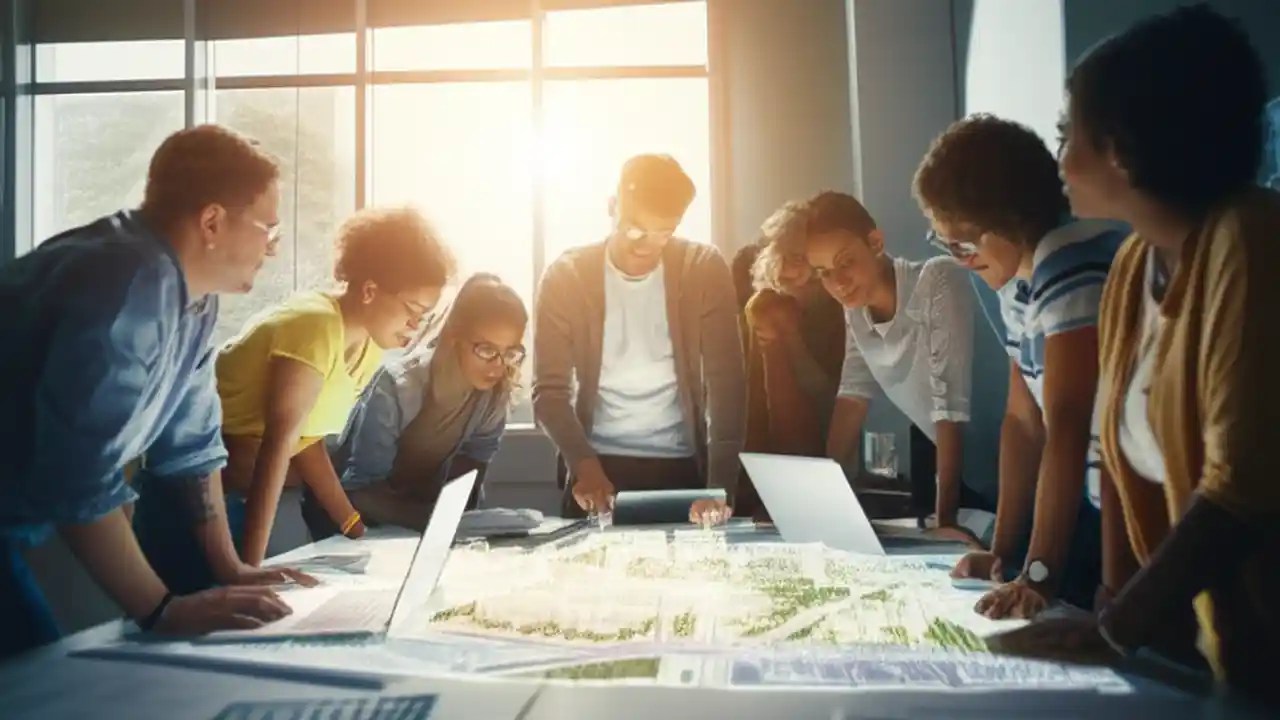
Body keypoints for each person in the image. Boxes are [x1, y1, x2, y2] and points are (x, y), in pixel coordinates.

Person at [0, 125, 314, 659]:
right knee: (32, 682)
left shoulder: (194, 298)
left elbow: (191, 447)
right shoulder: (126, 281)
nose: (272, 250)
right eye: (270, 230)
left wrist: (231, 569)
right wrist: (160, 608)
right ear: (212, 221)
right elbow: (81, 475)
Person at [1060, 4, 1279, 703]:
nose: (1059, 157)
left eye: (1070, 134)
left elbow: (1238, 489)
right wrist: (1112, 613)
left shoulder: (1248, 238)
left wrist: (1115, 632)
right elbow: (1124, 466)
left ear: (1120, 149)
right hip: (1207, 664)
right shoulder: (1131, 263)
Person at [136, 207, 454, 582]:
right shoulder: (315, 326)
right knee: (195, 626)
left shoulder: (369, 345)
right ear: (370, 290)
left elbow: (307, 442)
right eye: (413, 311)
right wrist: (247, 571)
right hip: (192, 508)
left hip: (240, 505)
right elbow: (279, 443)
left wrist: (354, 528)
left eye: (427, 317)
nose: (416, 328)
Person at [913, 114, 1126, 618]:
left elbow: (1068, 422)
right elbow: (1023, 424)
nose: (961, 261)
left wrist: (1039, 574)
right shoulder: (1021, 286)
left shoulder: (1068, 262)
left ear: (1007, 224)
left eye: (963, 246)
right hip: (1094, 500)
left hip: (1134, 505)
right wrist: (1005, 558)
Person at [533, 154, 745, 524]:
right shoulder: (566, 277)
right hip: (597, 470)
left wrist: (719, 491)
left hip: (683, 470)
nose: (647, 246)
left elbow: (727, 389)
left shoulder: (703, 270)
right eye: (635, 230)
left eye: (664, 233)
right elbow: (549, 393)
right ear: (612, 206)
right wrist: (583, 465)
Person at [802, 191, 990, 544]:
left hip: (1021, 463)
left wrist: (945, 520)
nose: (838, 282)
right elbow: (852, 395)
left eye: (845, 262)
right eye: (824, 273)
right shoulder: (854, 310)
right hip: (975, 477)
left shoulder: (937, 278)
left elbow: (948, 402)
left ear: (875, 242)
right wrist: (818, 503)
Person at [304, 273, 527, 536]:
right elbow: (361, 492)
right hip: (343, 520)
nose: (499, 365)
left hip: (413, 520)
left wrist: (471, 529)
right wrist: (436, 522)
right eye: (486, 350)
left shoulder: (493, 394)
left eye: (510, 352)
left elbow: (466, 484)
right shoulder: (397, 386)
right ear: (455, 336)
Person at [730, 202, 846, 519]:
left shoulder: (839, 306)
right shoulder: (750, 282)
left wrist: (789, 337)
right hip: (752, 443)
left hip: (821, 441)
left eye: (807, 263)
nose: (796, 272)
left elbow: (828, 394)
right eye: (789, 258)